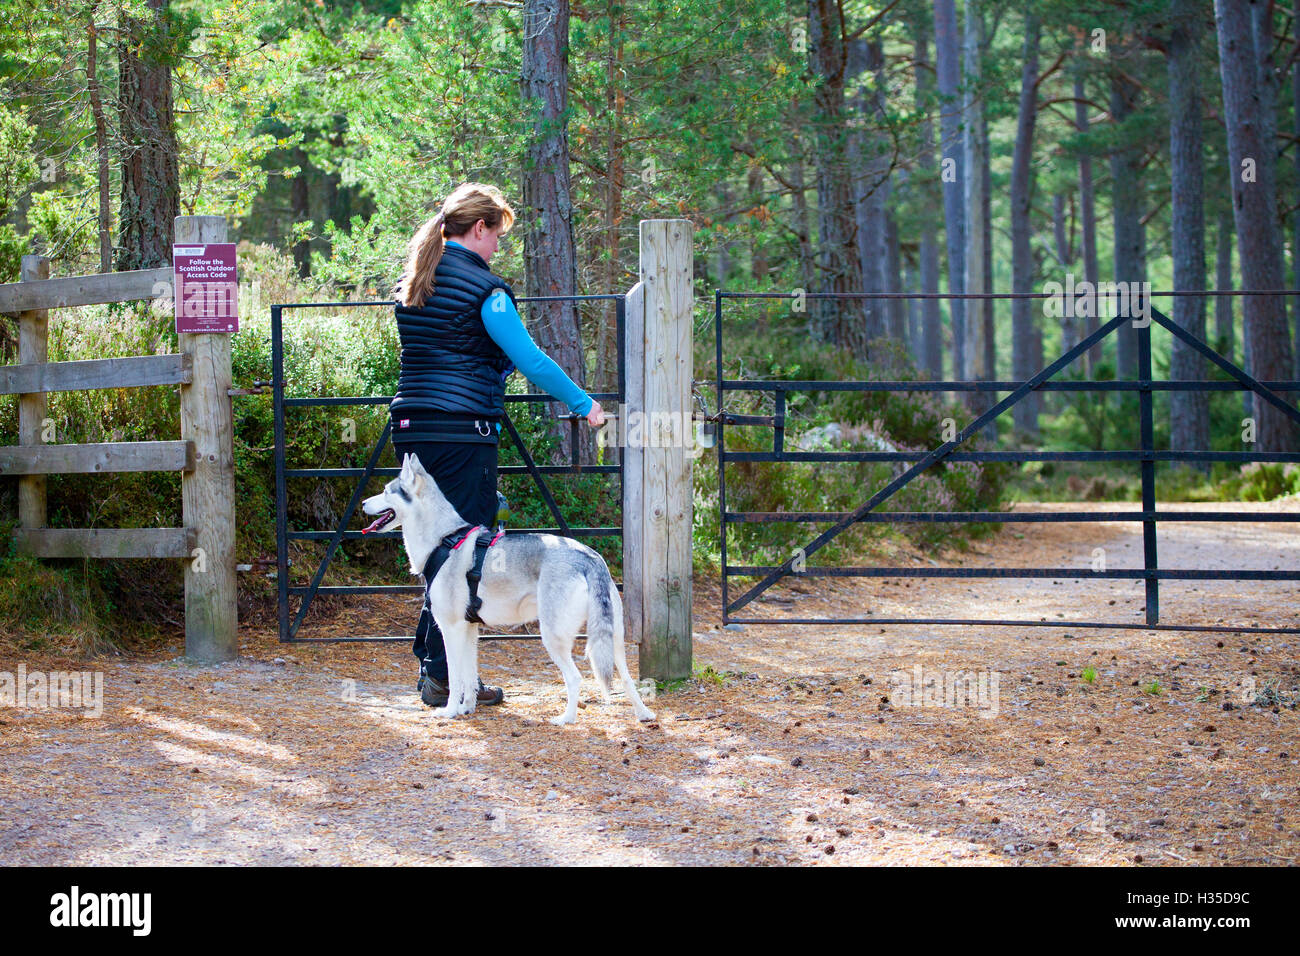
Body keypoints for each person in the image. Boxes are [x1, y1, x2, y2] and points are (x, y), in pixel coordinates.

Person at [390, 182, 605, 707]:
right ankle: (446, 679)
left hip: (414, 431)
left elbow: (451, 352)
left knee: (435, 552)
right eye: (497, 238)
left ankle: (440, 673)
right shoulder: (487, 291)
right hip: (464, 434)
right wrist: (585, 405)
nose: (496, 250)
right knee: (465, 554)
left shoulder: (418, 279)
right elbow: (531, 360)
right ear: (480, 228)